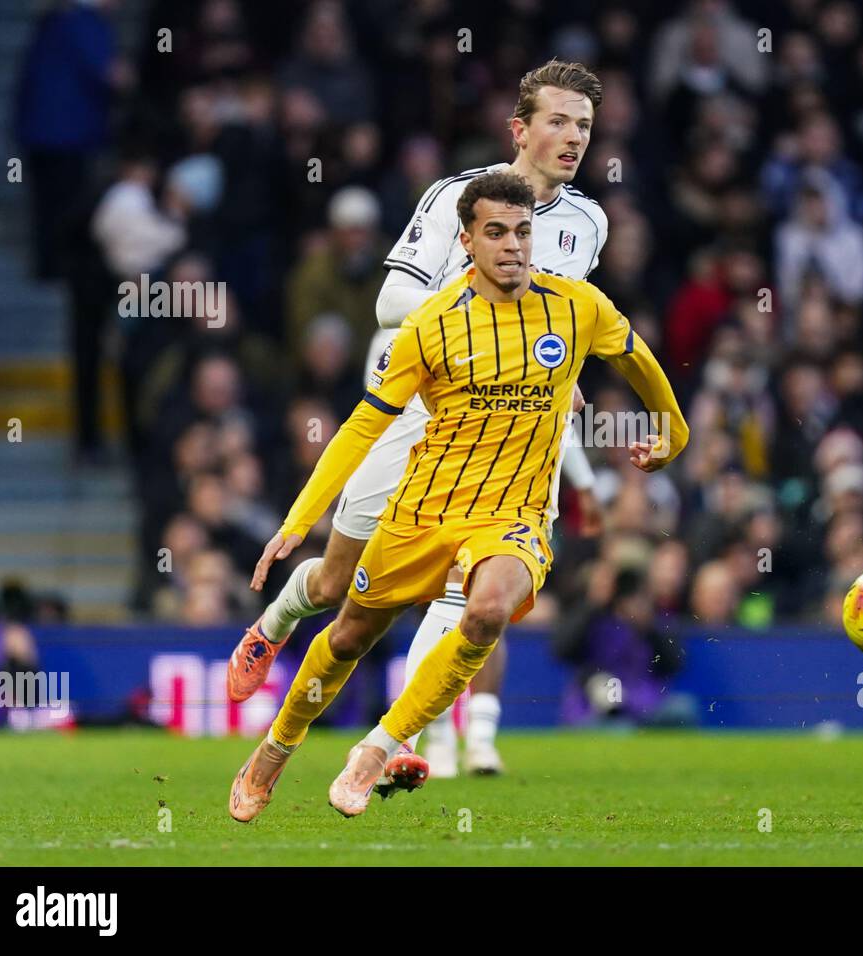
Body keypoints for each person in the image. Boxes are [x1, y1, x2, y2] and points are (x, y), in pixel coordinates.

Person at [228, 170, 689, 821]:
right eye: (496, 232)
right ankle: (272, 753)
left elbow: (639, 361)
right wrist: (300, 518)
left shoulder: (578, 305)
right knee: (346, 635)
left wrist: (673, 429)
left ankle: (381, 748)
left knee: (487, 611)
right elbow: (365, 423)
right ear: (467, 241)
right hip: (424, 510)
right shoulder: (431, 325)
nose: (513, 246)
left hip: (513, 518)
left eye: (523, 232)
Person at [227, 61, 607, 777]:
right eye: (557, 121)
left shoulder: (588, 223)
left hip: (510, 431)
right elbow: (391, 303)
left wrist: (563, 378)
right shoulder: (455, 197)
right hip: (420, 404)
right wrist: (486, 327)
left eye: (584, 125)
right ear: (519, 129)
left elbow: (565, 321)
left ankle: (394, 741)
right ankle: (273, 623)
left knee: (470, 588)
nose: (572, 137)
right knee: (338, 585)